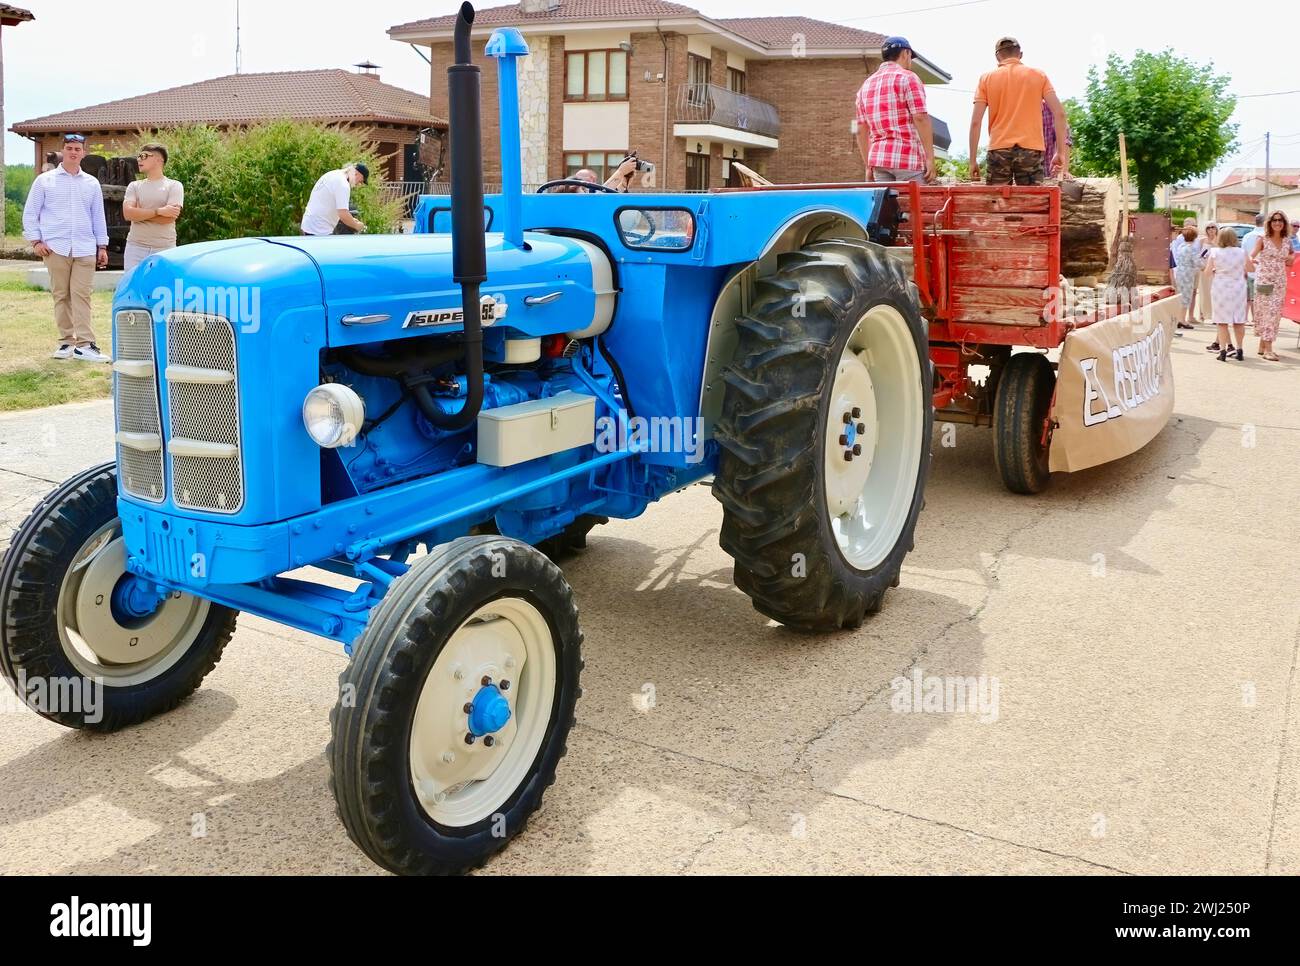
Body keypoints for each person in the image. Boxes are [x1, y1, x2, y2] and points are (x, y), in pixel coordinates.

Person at [21, 133, 110, 363]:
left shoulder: (91, 183)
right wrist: (36, 241)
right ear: (63, 151)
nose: (73, 152)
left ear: (83, 152)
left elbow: (98, 216)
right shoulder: (45, 180)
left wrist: (102, 245)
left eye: (77, 149)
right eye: (69, 148)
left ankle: (85, 345)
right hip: (55, 248)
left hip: (85, 247)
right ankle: (66, 343)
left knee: (82, 295)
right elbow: (31, 213)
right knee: (61, 295)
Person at [969, 37, 1067, 185]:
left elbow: (976, 122)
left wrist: (972, 160)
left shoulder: (986, 79)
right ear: (1020, 54)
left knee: (998, 204)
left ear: (997, 56)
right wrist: (1060, 153)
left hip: (999, 149)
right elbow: (1059, 114)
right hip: (1031, 150)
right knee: (1032, 203)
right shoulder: (1038, 75)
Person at [854, 36, 936, 183]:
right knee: (914, 205)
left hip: (879, 161)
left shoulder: (865, 86)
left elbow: (860, 129)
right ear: (906, 53)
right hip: (907, 159)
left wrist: (868, 165)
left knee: (888, 206)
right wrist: (930, 158)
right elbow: (920, 118)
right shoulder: (908, 78)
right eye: (910, 57)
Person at [121, 143, 183, 272]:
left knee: (162, 289)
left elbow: (169, 219)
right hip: (135, 247)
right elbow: (128, 214)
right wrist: (159, 211)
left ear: (159, 160)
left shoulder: (174, 186)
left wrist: (139, 214)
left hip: (164, 248)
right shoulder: (134, 186)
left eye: (144, 156)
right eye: (138, 156)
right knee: (133, 288)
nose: (139, 159)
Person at [1248, 210, 1294, 361]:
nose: (1277, 222)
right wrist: (1252, 264)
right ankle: (1268, 350)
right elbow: (1251, 256)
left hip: (1280, 282)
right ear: (1269, 222)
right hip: (1264, 282)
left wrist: (1289, 258)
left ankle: (1263, 346)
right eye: (1274, 220)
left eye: (1280, 220)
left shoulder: (1287, 240)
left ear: (1284, 223)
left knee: (1274, 315)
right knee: (1268, 313)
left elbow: (1292, 256)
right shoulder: (1262, 239)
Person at [1207, 227, 1248, 362]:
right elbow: (1251, 268)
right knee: (1239, 320)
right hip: (1238, 287)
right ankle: (1240, 349)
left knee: (1222, 321)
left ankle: (1223, 351)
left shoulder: (1214, 252)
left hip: (1220, 287)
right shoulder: (1242, 252)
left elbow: (1207, 272)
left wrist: (1215, 270)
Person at [301, 162, 369, 236]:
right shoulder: (343, 184)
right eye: (361, 181)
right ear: (357, 173)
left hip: (309, 224)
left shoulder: (333, 174)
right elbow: (343, 214)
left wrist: (352, 221)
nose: (359, 184)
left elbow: (330, 205)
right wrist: (357, 226)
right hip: (319, 230)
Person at [1172, 224, 1202, 330]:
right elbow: (1198, 263)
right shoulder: (1191, 249)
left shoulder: (1181, 246)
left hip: (1180, 272)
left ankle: (1179, 318)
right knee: (1186, 297)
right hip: (1188, 273)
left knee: (1181, 295)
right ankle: (1182, 320)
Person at [1240, 212, 1264, 321]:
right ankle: (1257, 318)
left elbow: (1243, 253)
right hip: (1263, 271)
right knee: (1259, 297)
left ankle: (1245, 318)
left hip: (1248, 268)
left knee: (1247, 297)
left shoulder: (1247, 236)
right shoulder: (1267, 236)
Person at [1197, 223, 1217, 326]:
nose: (1211, 230)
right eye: (1208, 227)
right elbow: (1198, 255)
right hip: (1204, 269)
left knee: (1213, 293)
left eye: (1213, 227)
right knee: (1204, 292)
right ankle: (1202, 314)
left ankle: (1214, 315)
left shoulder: (1219, 241)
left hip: (1215, 271)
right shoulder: (1202, 241)